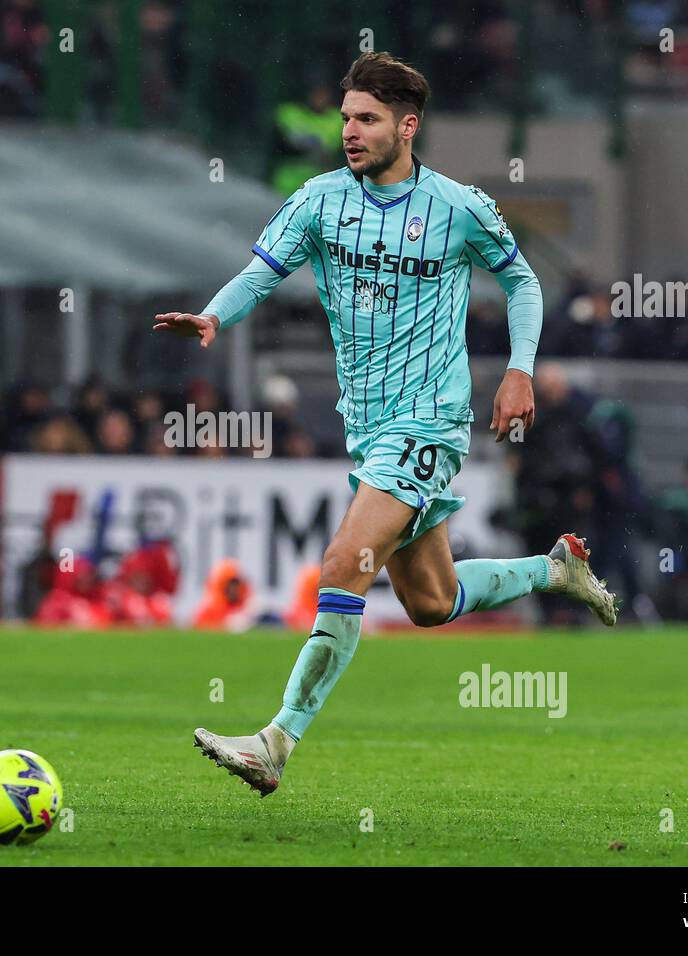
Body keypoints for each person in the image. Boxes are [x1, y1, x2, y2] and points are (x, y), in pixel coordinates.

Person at [153, 52, 617, 797]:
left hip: (430, 422)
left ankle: (276, 741)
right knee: (429, 603)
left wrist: (520, 368)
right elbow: (262, 271)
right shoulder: (319, 202)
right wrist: (213, 316)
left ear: (408, 125)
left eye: (366, 119)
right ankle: (555, 568)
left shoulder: (459, 207)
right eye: (344, 118)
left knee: (342, 567)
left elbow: (522, 279)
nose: (349, 131)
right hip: (369, 431)